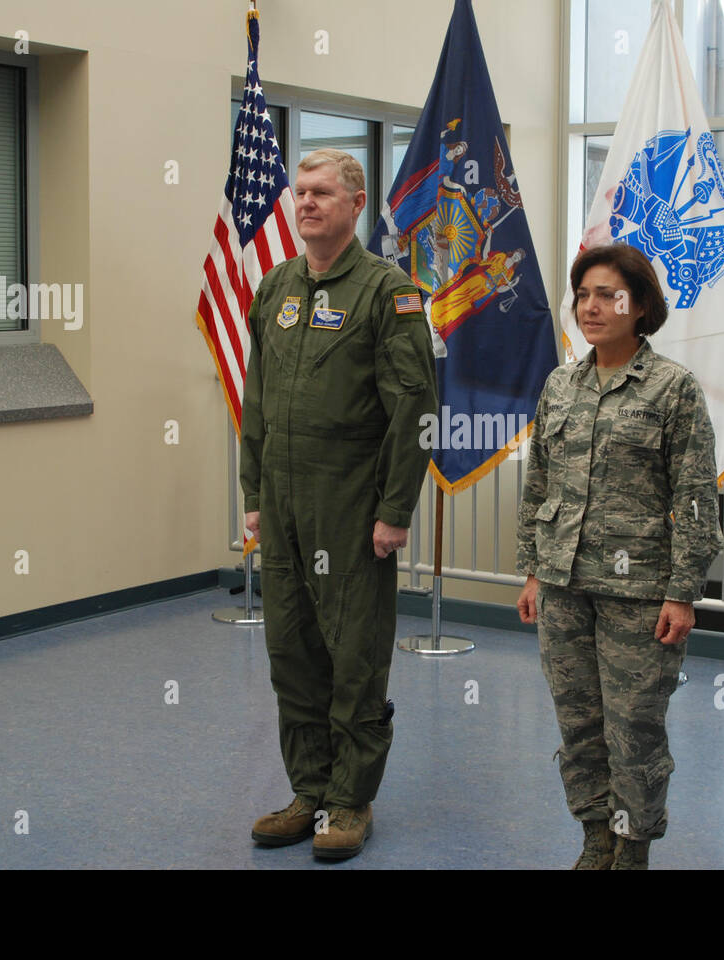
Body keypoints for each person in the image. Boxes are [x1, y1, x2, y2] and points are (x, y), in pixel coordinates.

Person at [239, 148, 438, 861]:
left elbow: (415, 409)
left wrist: (395, 510)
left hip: (350, 506)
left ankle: (350, 801)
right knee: (291, 651)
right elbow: (255, 400)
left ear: (356, 203)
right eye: (300, 192)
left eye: (321, 193)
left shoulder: (389, 295)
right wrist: (254, 495)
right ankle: (309, 790)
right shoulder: (276, 287)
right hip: (285, 506)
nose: (305, 204)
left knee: (353, 657)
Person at [516, 244, 723, 870]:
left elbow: (693, 498)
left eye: (608, 295)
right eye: (583, 295)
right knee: (579, 727)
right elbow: (538, 483)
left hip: (640, 594)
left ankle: (632, 848)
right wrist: (530, 570)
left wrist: (682, 592)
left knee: (632, 729)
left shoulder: (673, 388)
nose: (592, 306)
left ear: (641, 306)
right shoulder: (560, 384)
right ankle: (594, 838)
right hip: (562, 585)